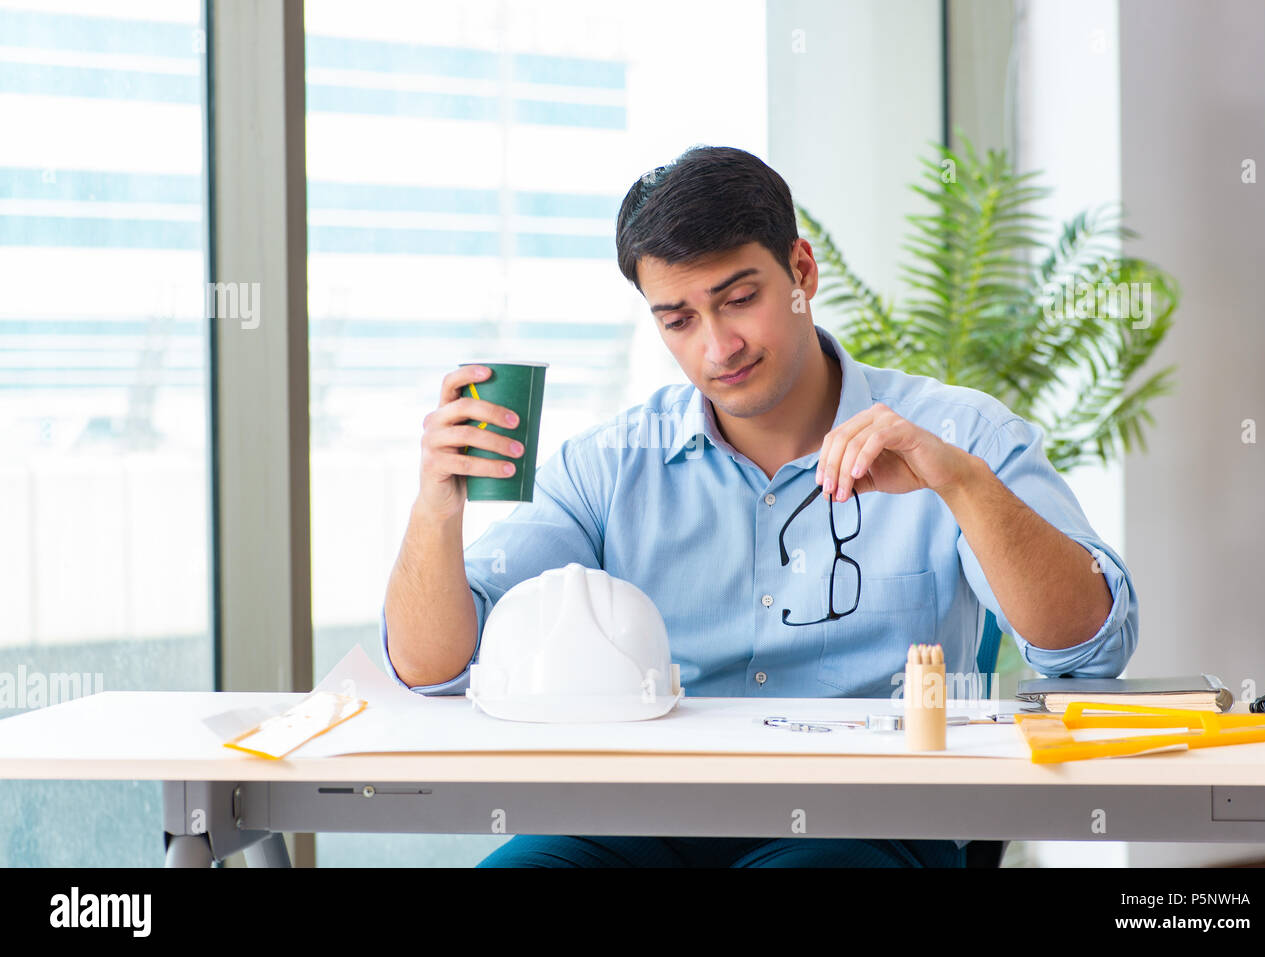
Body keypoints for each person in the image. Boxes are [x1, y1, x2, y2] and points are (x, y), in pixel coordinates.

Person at [381, 145, 1139, 868]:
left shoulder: (959, 438)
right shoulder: (611, 467)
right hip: (638, 821)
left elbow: (1089, 649)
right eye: (678, 319)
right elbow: (432, 668)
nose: (718, 347)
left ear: (801, 270)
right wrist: (436, 510)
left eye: (739, 299)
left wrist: (963, 487)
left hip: (864, 823)